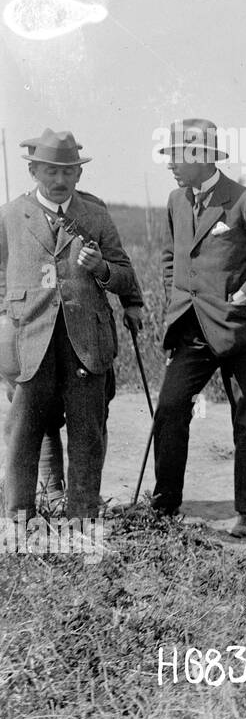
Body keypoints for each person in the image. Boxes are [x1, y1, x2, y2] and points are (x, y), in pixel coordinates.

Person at [149, 119, 246, 538]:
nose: (170, 165)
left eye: (176, 156)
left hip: (239, 331)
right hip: (191, 331)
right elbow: (170, 259)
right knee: (171, 410)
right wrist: (175, 302)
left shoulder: (245, 201)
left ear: (201, 157)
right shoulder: (177, 200)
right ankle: (165, 506)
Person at [0, 129, 141, 520]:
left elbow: (126, 275)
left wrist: (103, 270)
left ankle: (82, 515)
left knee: (87, 431)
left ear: (79, 175)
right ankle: (19, 515)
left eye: (67, 172)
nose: (59, 181)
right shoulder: (10, 216)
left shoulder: (95, 215)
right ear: (33, 171)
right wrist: (5, 316)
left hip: (86, 339)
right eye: (50, 172)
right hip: (29, 338)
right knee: (23, 429)